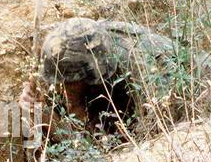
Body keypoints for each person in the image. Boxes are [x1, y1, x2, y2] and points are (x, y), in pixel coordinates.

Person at [36, 17, 187, 131]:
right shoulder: (73, 51)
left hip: (190, 72)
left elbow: (160, 122)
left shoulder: (138, 65)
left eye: (72, 83)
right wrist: (39, 109)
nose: (67, 88)